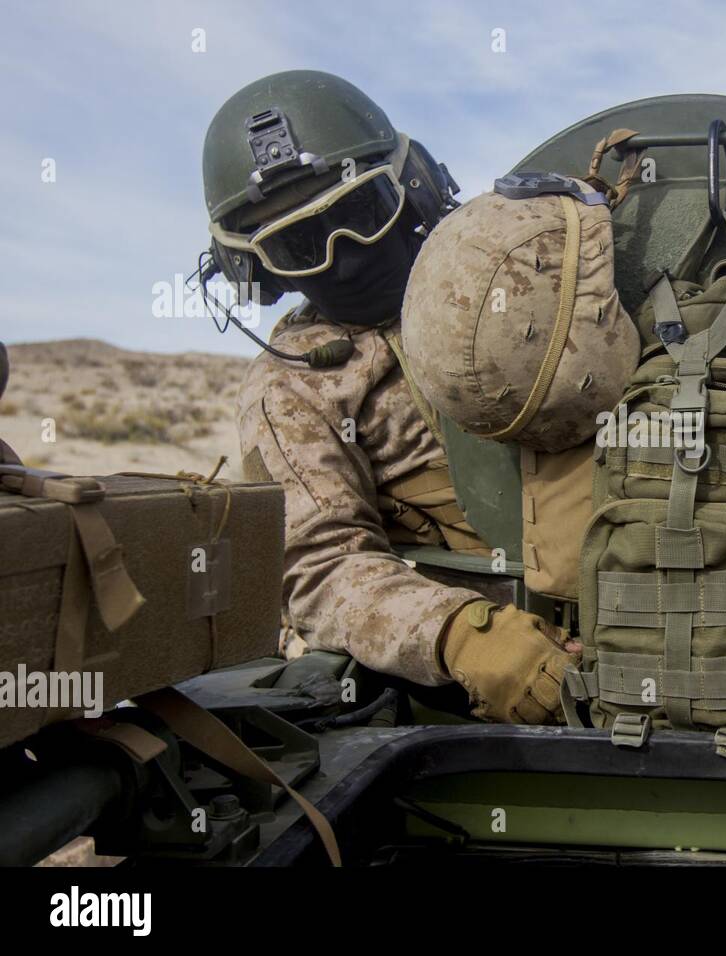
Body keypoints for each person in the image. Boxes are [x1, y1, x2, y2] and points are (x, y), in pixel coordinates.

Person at [199, 70, 576, 724]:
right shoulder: (291, 388)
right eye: (298, 246)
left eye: (359, 214)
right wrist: (458, 632)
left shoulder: (525, 272)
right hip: (516, 665)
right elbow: (321, 570)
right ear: (257, 270)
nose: (342, 259)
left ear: (413, 188)